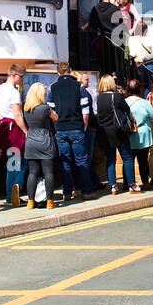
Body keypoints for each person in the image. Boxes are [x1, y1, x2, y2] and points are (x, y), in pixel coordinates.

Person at [49, 62, 92, 202]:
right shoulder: (79, 87)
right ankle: (85, 191)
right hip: (77, 127)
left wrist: (58, 124)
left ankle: (67, 192)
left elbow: (51, 110)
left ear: (58, 73)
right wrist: (84, 126)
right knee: (81, 160)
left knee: (65, 161)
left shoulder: (52, 88)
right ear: (70, 71)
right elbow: (85, 110)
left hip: (61, 129)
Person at [0, 65, 27, 207]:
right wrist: (26, 131)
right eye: (21, 76)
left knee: (13, 163)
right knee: (18, 163)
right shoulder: (14, 92)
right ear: (14, 75)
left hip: (3, 127)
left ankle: (11, 194)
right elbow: (17, 115)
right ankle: (13, 194)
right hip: (14, 128)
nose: (22, 79)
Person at [22, 82, 58, 209]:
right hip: (45, 141)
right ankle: (49, 201)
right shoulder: (45, 108)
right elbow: (56, 118)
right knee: (48, 172)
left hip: (31, 141)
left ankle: (30, 201)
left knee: (32, 172)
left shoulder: (26, 109)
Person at [125, 78, 153, 189]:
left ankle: (126, 183)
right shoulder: (144, 102)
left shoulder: (124, 102)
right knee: (143, 161)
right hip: (143, 135)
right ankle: (145, 182)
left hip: (128, 134)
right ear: (140, 89)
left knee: (128, 159)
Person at [77, 0, 97, 69]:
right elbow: (85, 15)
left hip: (84, 30)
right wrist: (89, 23)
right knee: (86, 54)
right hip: (84, 31)